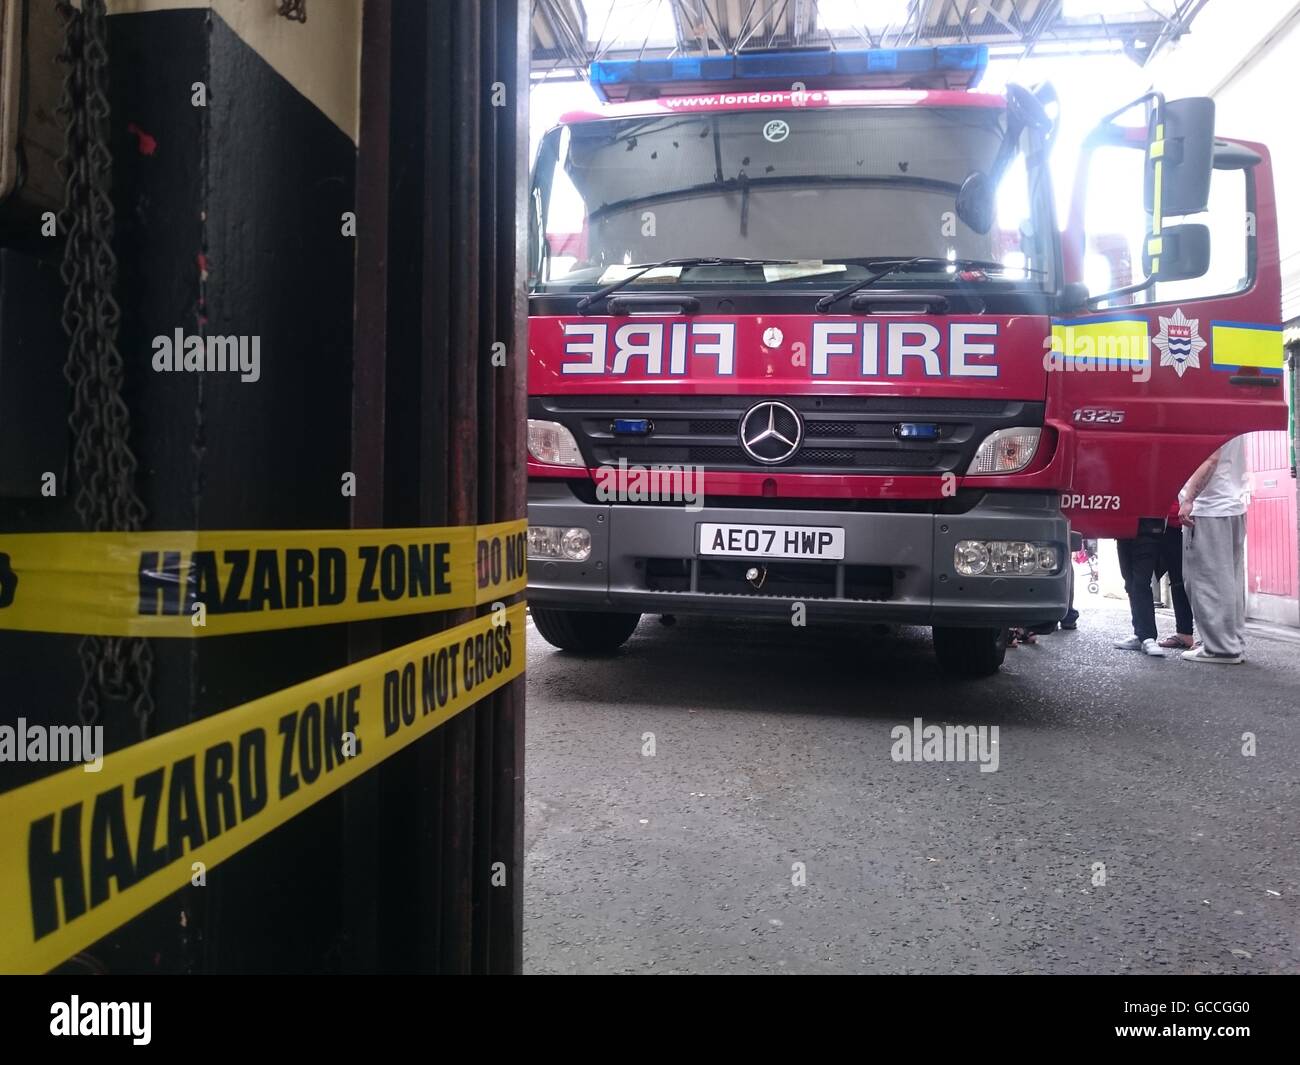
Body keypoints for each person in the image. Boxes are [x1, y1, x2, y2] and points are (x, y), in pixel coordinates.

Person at [1179, 437, 1250, 664]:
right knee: (1230, 579)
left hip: (1210, 507)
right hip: (1232, 505)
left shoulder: (1208, 410)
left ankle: (1220, 648)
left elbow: (1211, 457)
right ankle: (1233, 643)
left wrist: (1189, 498)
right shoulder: (1235, 410)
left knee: (1206, 580)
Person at [1156, 499, 1195, 650]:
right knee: (1177, 580)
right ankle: (1184, 633)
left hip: (1181, 522)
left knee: (1182, 580)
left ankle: (1191, 634)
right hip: (1164, 522)